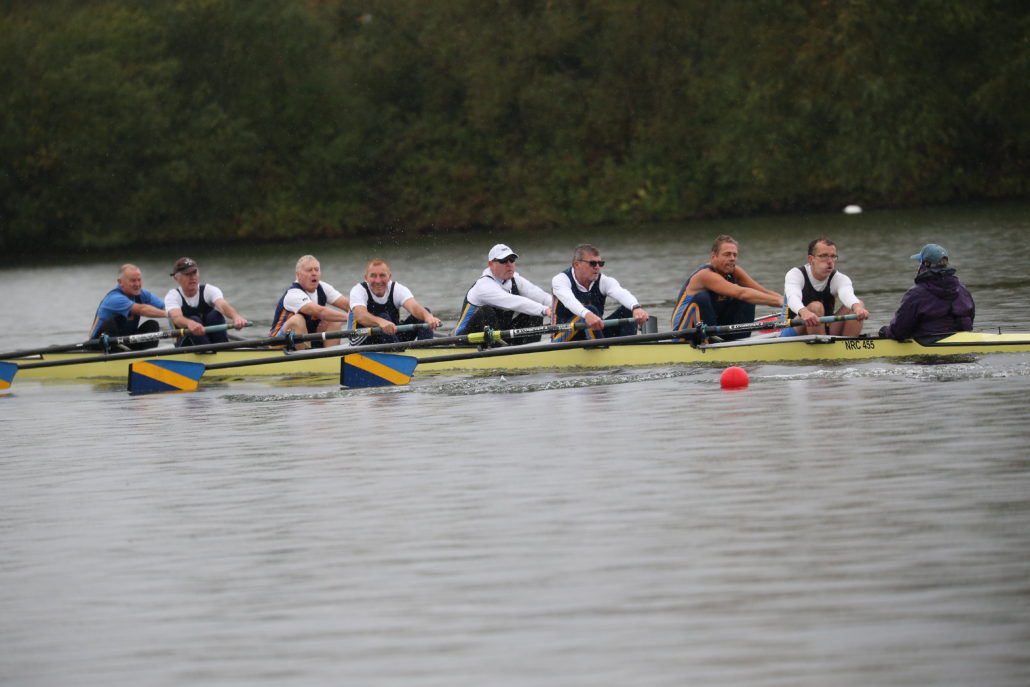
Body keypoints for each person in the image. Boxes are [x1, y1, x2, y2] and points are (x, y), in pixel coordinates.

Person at [671, 235, 783, 341]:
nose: (732, 258)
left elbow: (763, 292)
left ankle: (740, 341)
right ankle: (710, 342)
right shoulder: (705, 275)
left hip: (712, 326)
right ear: (713, 256)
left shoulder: (734, 271)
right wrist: (780, 302)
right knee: (702, 297)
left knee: (749, 299)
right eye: (727, 254)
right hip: (684, 332)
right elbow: (742, 293)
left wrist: (791, 303)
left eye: (735, 255)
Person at [454, 243, 552, 345]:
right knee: (486, 311)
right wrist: (545, 310)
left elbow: (542, 297)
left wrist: (557, 307)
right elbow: (515, 302)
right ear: (491, 264)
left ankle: (530, 349)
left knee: (534, 313)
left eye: (512, 260)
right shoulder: (484, 286)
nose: (509, 264)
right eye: (503, 261)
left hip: (495, 336)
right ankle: (502, 351)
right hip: (464, 340)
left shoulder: (515, 279)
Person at [550, 243, 650, 342]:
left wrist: (636, 308)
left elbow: (621, 293)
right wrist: (587, 314)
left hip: (596, 332)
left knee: (628, 310)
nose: (597, 267)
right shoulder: (560, 280)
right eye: (592, 263)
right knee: (590, 310)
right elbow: (569, 301)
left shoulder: (604, 281)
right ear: (577, 264)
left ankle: (628, 348)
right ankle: (603, 349)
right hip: (564, 336)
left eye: (600, 263)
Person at [879, 243, 974, 340]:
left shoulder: (916, 294)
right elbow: (971, 318)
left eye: (919, 262)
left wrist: (884, 332)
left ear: (925, 264)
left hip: (928, 347)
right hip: (964, 342)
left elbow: (899, 332)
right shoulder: (963, 290)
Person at [782, 238, 870, 336]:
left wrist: (858, 308)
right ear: (811, 259)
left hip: (825, 328)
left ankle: (848, 346)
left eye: (833, 256)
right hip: (792, 329)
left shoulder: (840, 278)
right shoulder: (795, 274)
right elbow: (793, 298)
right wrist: (804, 312)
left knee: (857, 305)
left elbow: (848, 295)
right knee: (816, 307)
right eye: (824, 256)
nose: (830, 261)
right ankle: (821, 348)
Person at [347, 259, 442, 345]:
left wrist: (428, 317)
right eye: (373, 276)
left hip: (390, 336)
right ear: (366, 278)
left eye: (382, 275)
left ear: (389, 277)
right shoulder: (358, 290)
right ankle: (398, 353)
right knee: (384, 317)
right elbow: (361, 316)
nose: (378, 280)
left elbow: (413, 307)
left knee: (425, 312)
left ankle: (424, 352)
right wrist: (381, 322)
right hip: (362, 338)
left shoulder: (397, 289)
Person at [269, 255, 351, 349]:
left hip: (306, 339)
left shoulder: (323, 288)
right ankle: (307, 359)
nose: (314, 273)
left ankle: (331, 356)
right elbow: (320, 312)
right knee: (298, 319)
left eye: (317, 270)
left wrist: (365, 315)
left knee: (334, 320)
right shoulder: (293, 294)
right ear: (298, 274)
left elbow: (349, 306)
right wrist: (350, 317)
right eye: (309, 270)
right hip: (278, 343)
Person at [164, 257, 248, 347]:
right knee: (194, 319)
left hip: (209, 339)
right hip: (185, 344)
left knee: (215, 315)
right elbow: (177, 317)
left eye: (194, 273)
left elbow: (222, 305)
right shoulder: (172, 296)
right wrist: (190, 323)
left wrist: (235, 317)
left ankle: (222, 348)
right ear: (176, 278)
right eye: (187, 274)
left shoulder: (209, 290)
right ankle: (211, 351)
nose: (192, 277)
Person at [88, 264, 166, 349]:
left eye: (139, 280)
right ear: (120, 282)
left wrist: (177, 315)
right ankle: (115, 357)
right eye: (133, 281)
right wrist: (169, 314)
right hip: (98, 345)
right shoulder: (114, 298)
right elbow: (141, 309)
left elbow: (166, 307)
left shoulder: (142, 294)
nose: (137, 284)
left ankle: (148, 357)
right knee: (110, 323)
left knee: (152, 325)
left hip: (124, 342)